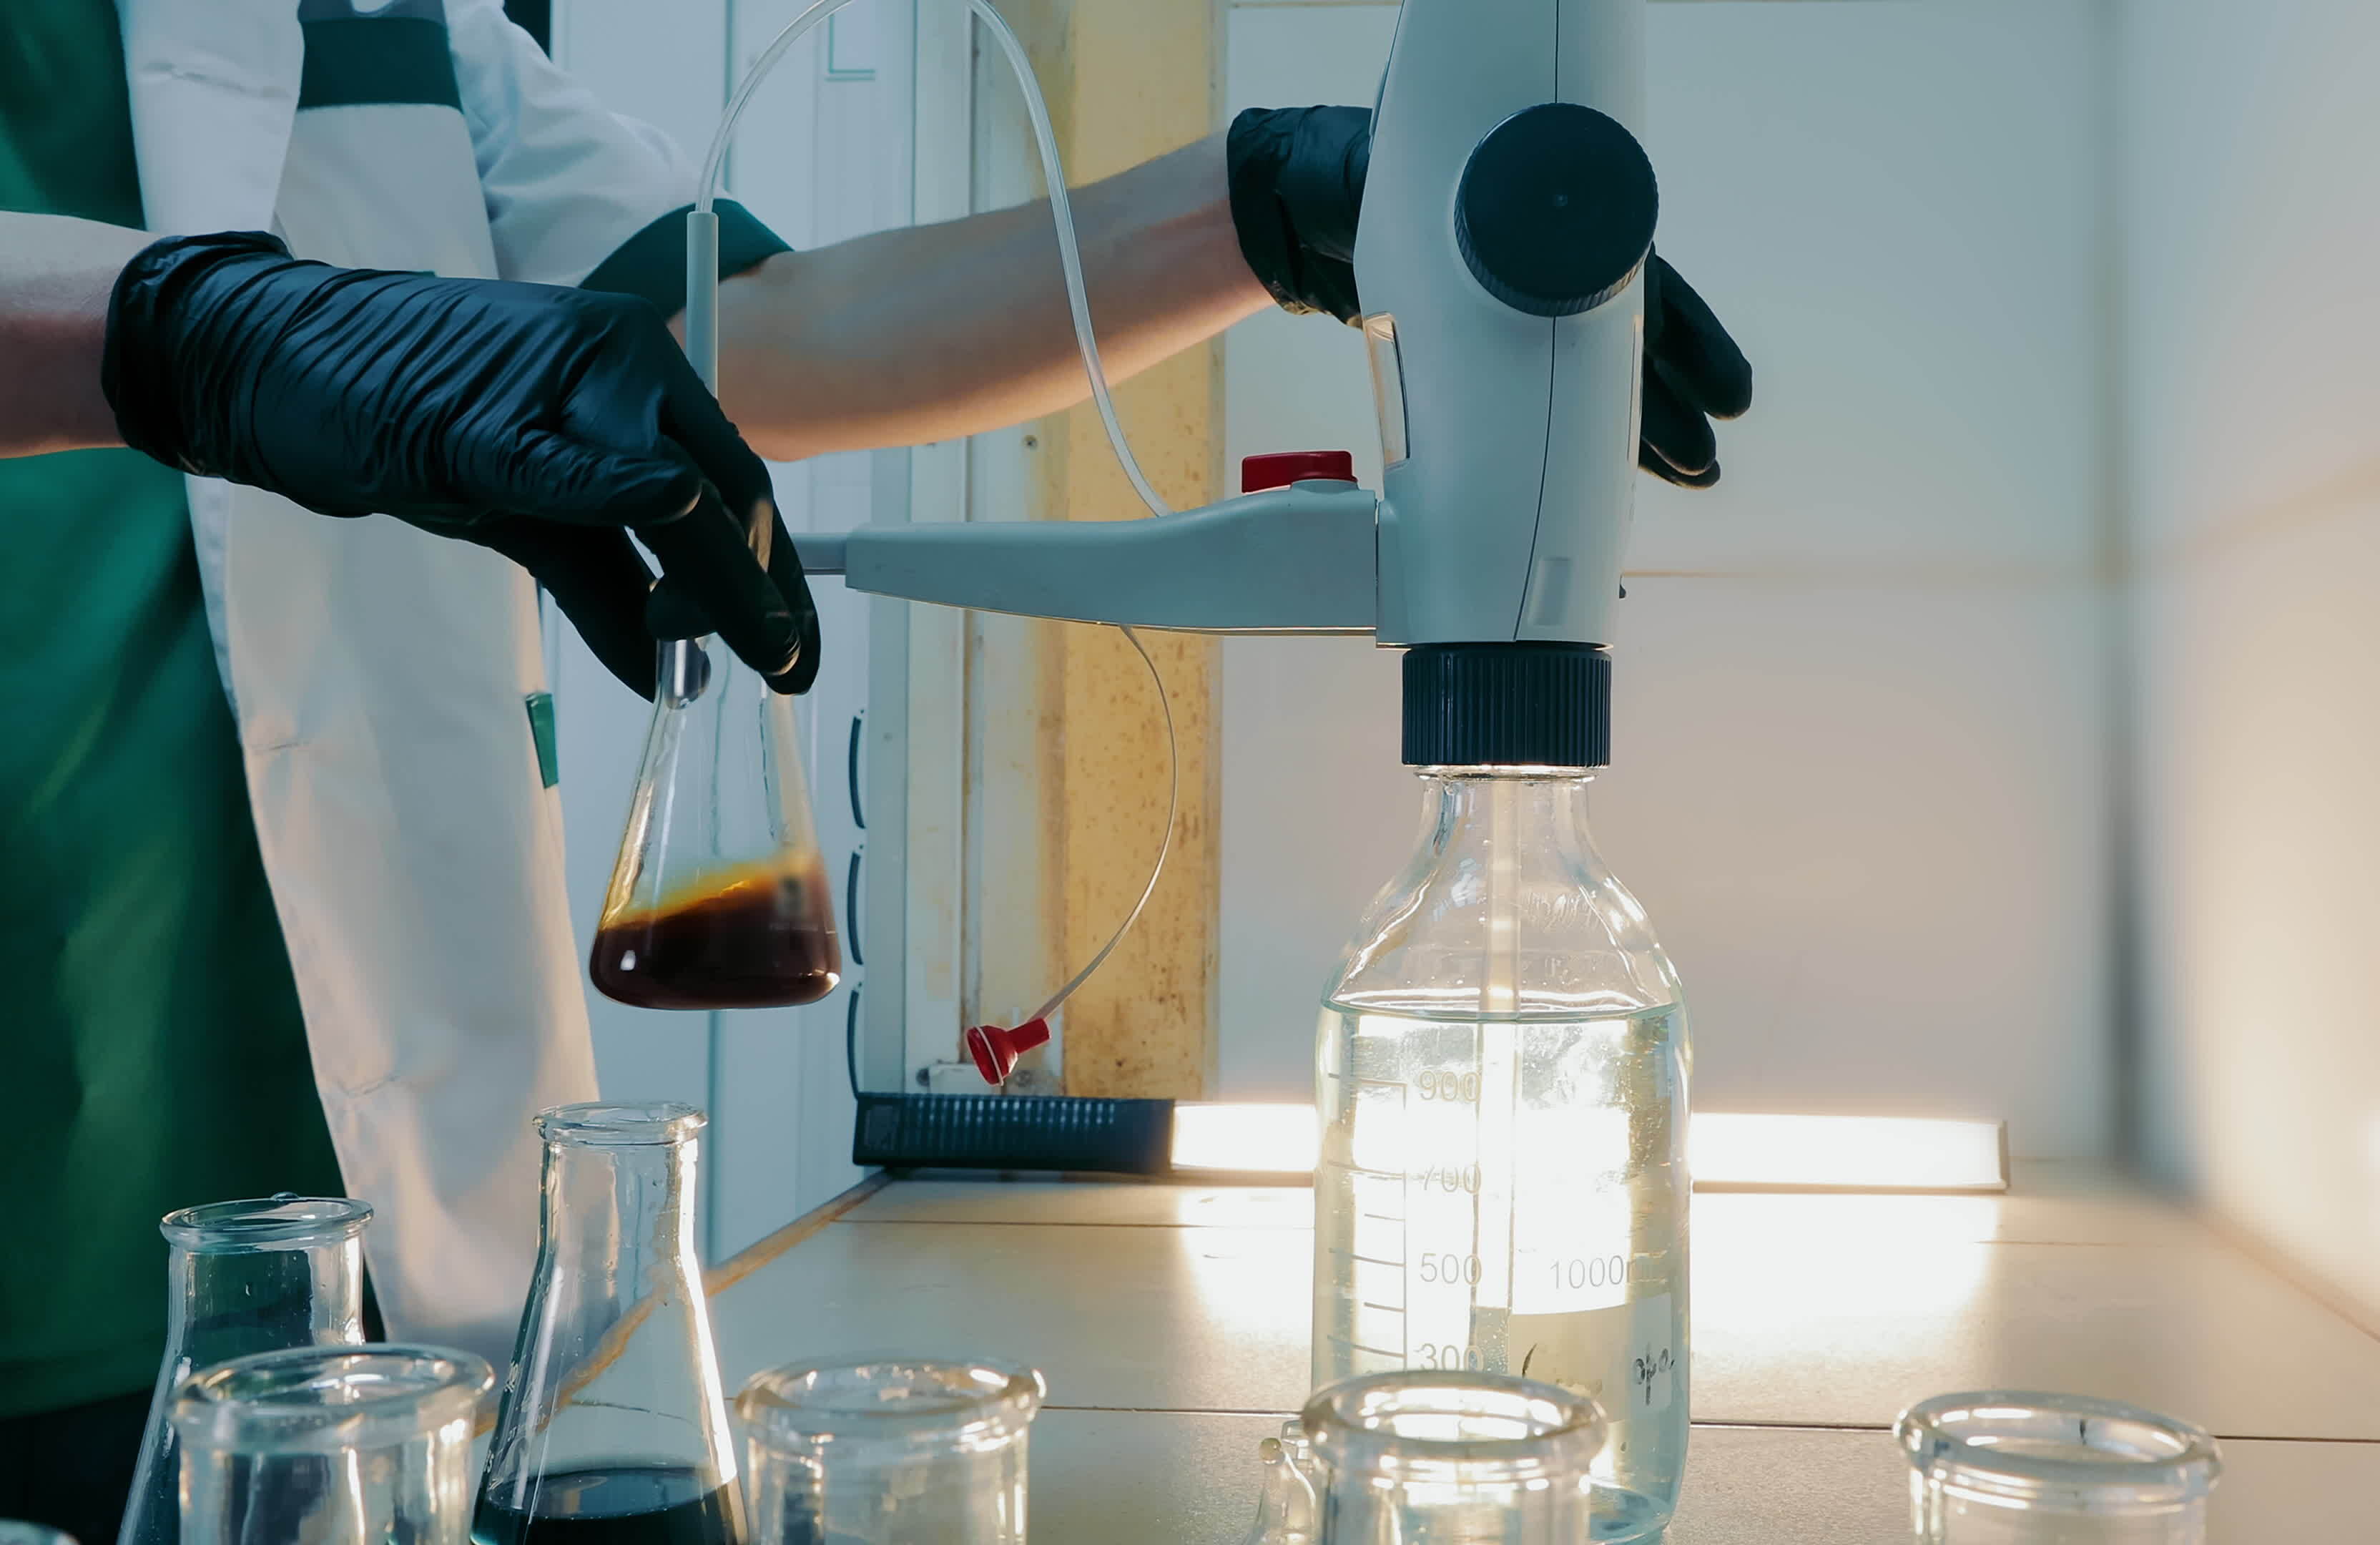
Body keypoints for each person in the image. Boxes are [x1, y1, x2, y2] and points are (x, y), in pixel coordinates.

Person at [0, 0, 1749, 1524]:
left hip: (388, 1258)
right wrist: (184, 335)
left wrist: (1257, 207)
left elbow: (756, 331)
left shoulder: (381, 21)